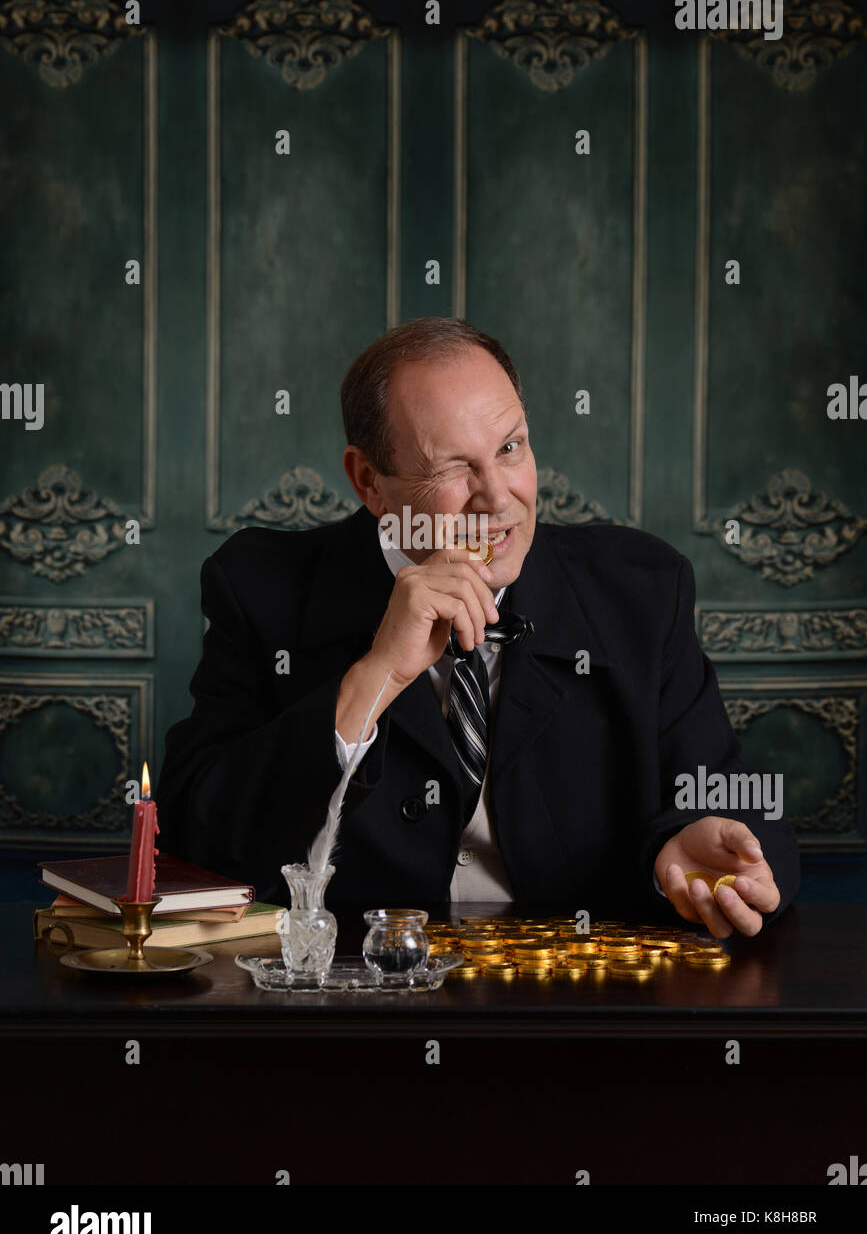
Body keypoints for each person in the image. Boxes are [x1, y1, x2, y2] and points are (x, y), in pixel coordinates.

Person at [156, 317, 799, 935]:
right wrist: (374, 678)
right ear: (369, 483)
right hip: (354, 1009)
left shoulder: (643, 590)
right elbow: (196, 850)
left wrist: (688, 851)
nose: (498, 495)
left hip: (576, 1008)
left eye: (510, 448)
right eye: (453, 469)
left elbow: (735, 804)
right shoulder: (261, 590)